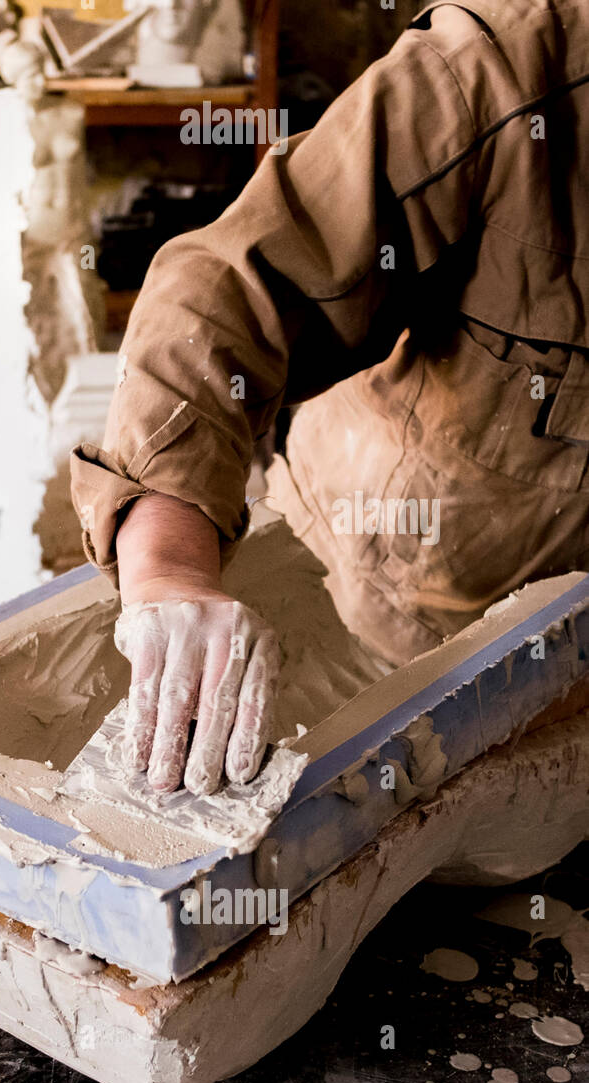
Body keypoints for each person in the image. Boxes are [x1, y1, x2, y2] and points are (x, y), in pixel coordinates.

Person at [72, 0, 589, 796]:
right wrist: (169, 568)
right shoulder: (508, 68)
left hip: (564, 666)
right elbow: (229, 287)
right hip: (375, 615)